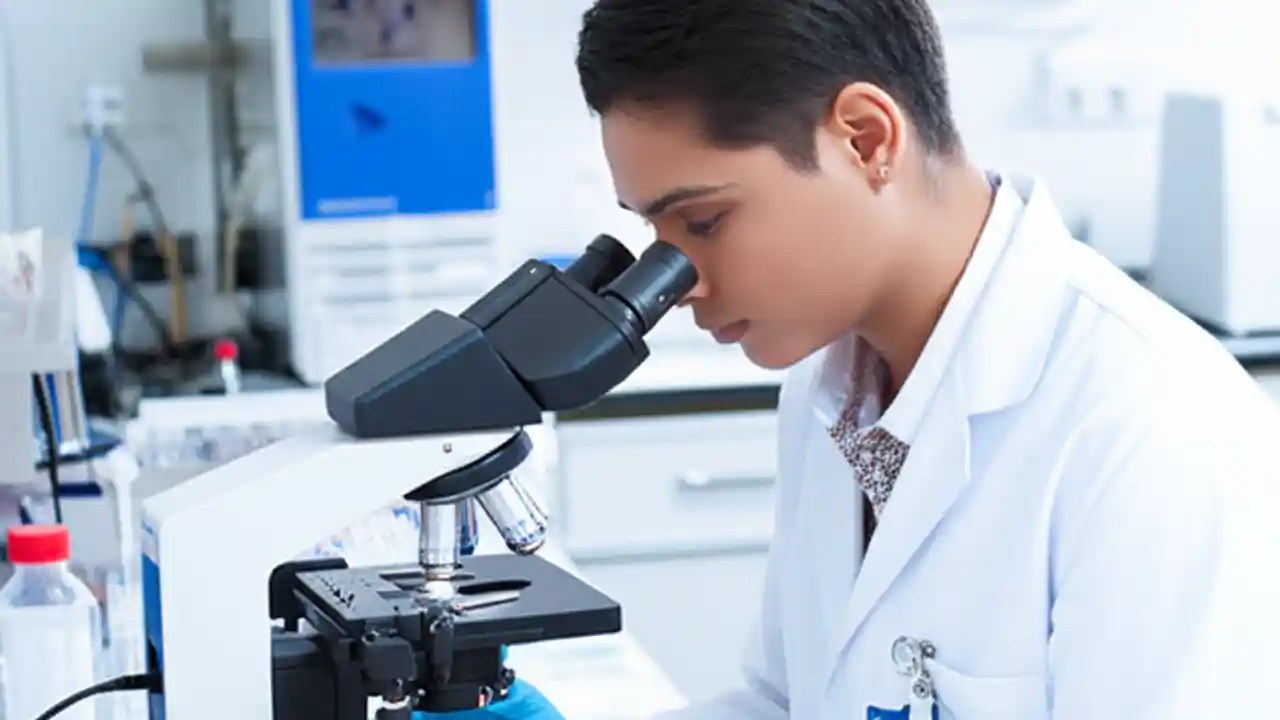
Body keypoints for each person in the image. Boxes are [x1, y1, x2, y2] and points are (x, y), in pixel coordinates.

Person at [425, 0, 1280, 717]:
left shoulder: (1154, 430)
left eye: (705, 222)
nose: (679, 283)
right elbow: (790, 701)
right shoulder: (833, 385)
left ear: (867, 139)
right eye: (655, 231)